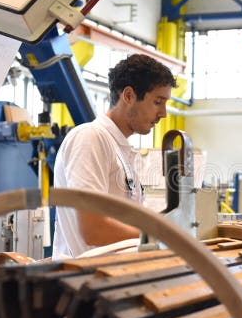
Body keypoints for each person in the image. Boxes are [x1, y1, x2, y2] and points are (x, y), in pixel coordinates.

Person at [52, 54, 176, 259]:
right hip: (86, 280)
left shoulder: (119, 148)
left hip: (115, 275)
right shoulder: (91, 138)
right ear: (128, 96)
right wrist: (161, 235)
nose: (163, 114)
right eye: (157, 102)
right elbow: (93, 228)